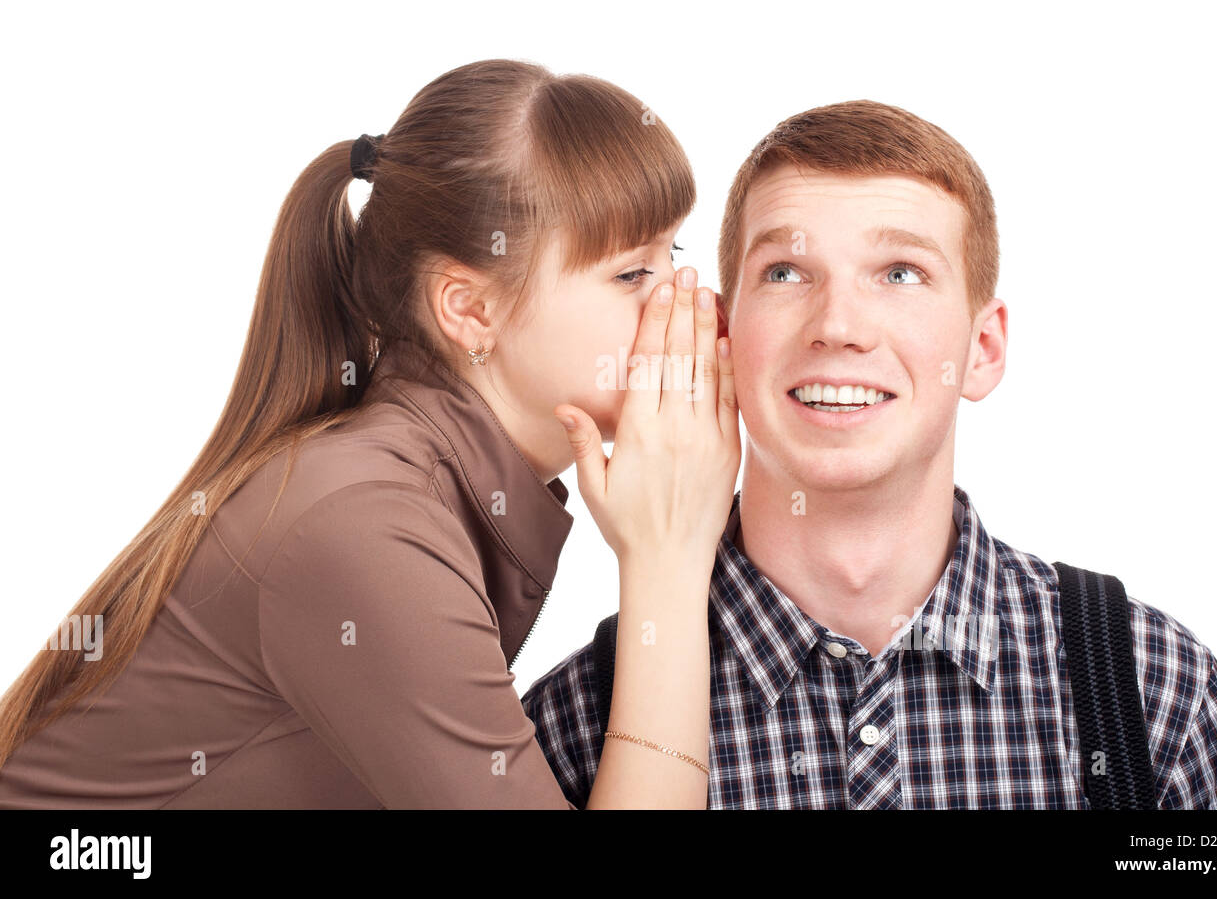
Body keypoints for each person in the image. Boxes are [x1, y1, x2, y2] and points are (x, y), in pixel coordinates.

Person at [0, 58, 740, 808]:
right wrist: (668, 564)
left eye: (672, 255)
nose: (687, 299)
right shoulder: (366, 521)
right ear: (470, 310)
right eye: (630, 274)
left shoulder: (406, 488)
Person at [522, 98, 1217, 809]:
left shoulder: (1152, 690)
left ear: (983, 348)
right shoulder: (577, 726)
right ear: (721, 337)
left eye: (901, 274)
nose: (839, 325)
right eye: (785, 273)